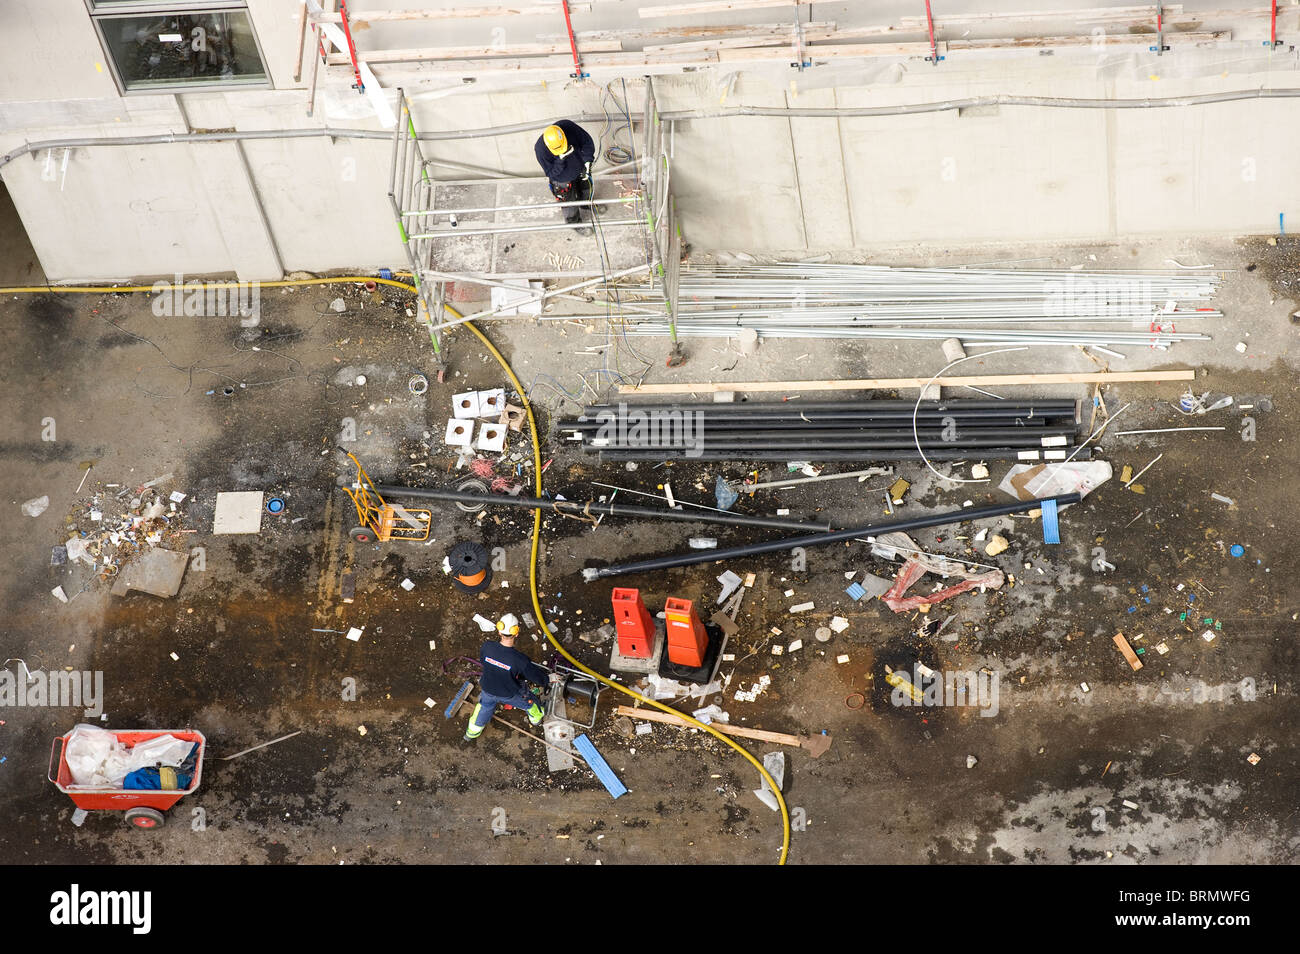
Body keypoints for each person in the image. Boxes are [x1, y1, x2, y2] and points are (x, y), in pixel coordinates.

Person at [465, 614, 552, 740]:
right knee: (530, 703)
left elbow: (484, 661)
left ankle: (472, 733)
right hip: (509, 694)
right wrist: (548, 679)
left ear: (499, 631)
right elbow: (536, 676)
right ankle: (536, 719)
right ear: (516, 633)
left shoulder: (487, 646)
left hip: (487, 689)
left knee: (484, 708)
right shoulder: (520, 660)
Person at [534, 121, 597, 234]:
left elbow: (586, 142)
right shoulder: (540, 149)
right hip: (562, 179)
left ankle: (586, 204)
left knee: (586, 188)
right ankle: (574, 222)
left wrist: (587, 162)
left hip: (580, 167)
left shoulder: (568, 127)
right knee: (568, 202)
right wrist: (560, 160)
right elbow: (551, 173)